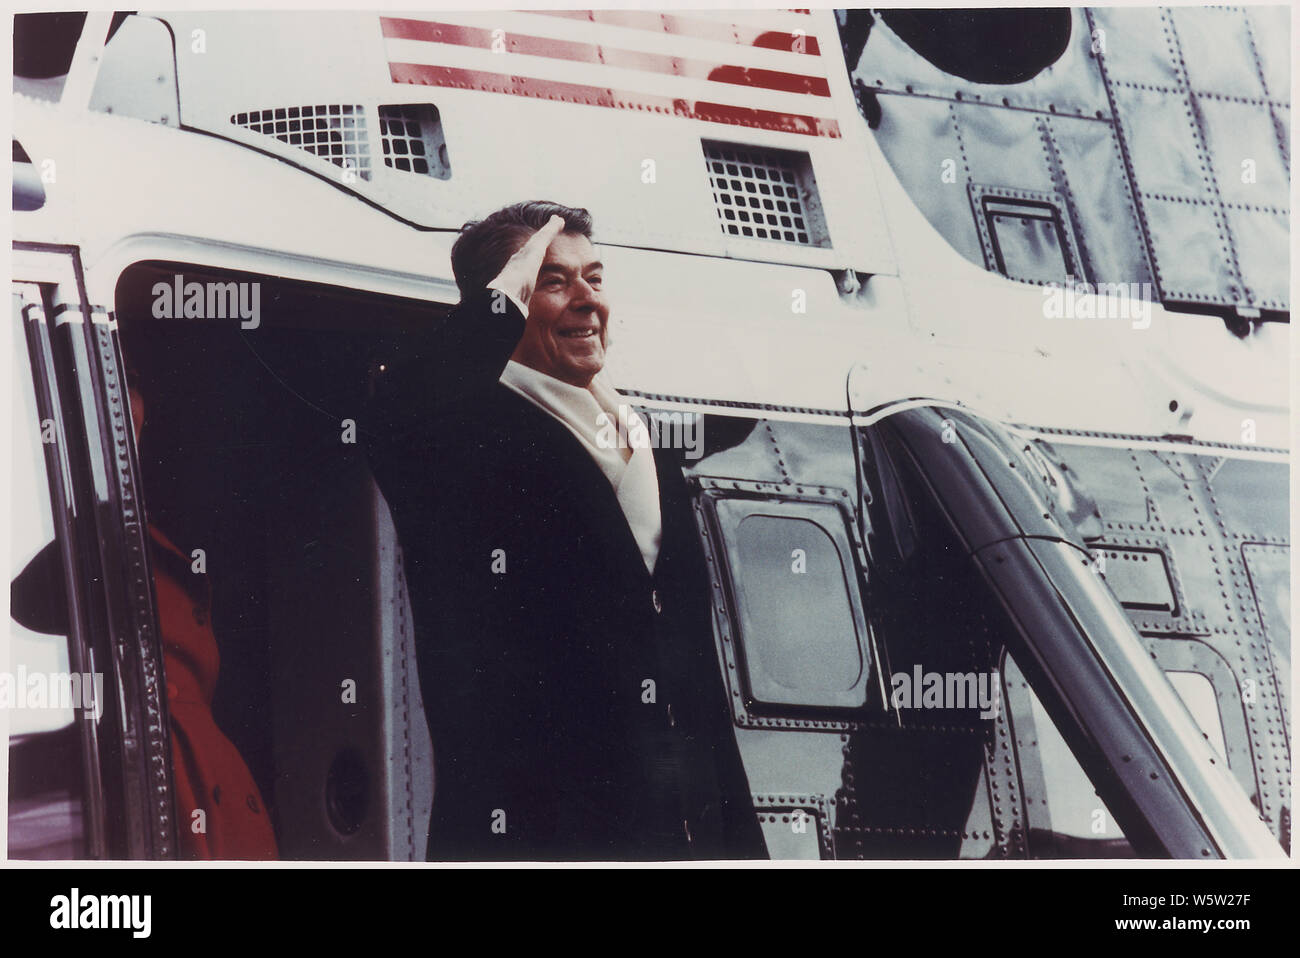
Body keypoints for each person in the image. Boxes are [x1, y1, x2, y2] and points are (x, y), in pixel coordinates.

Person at [363, 201, 766, 861]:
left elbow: (697, 694)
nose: (586, 301)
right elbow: (402, 405)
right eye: (553, 282)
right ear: (508, 302)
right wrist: (505, 290)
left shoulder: (646, 443)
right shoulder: (459, 440)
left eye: (595, 279)